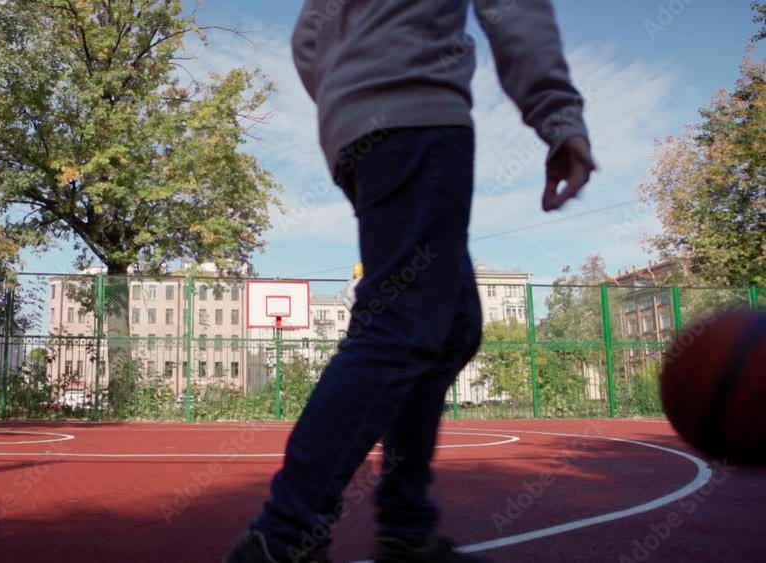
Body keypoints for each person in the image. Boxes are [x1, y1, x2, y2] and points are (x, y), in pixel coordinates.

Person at [223, 1, 596, 562]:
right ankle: (282, 536)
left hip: (358, 127)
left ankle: (404, 528)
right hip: (418, 114)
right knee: (400, 323)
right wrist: (559, 117)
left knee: (452, 325)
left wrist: (348, 92)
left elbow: (307, 36)